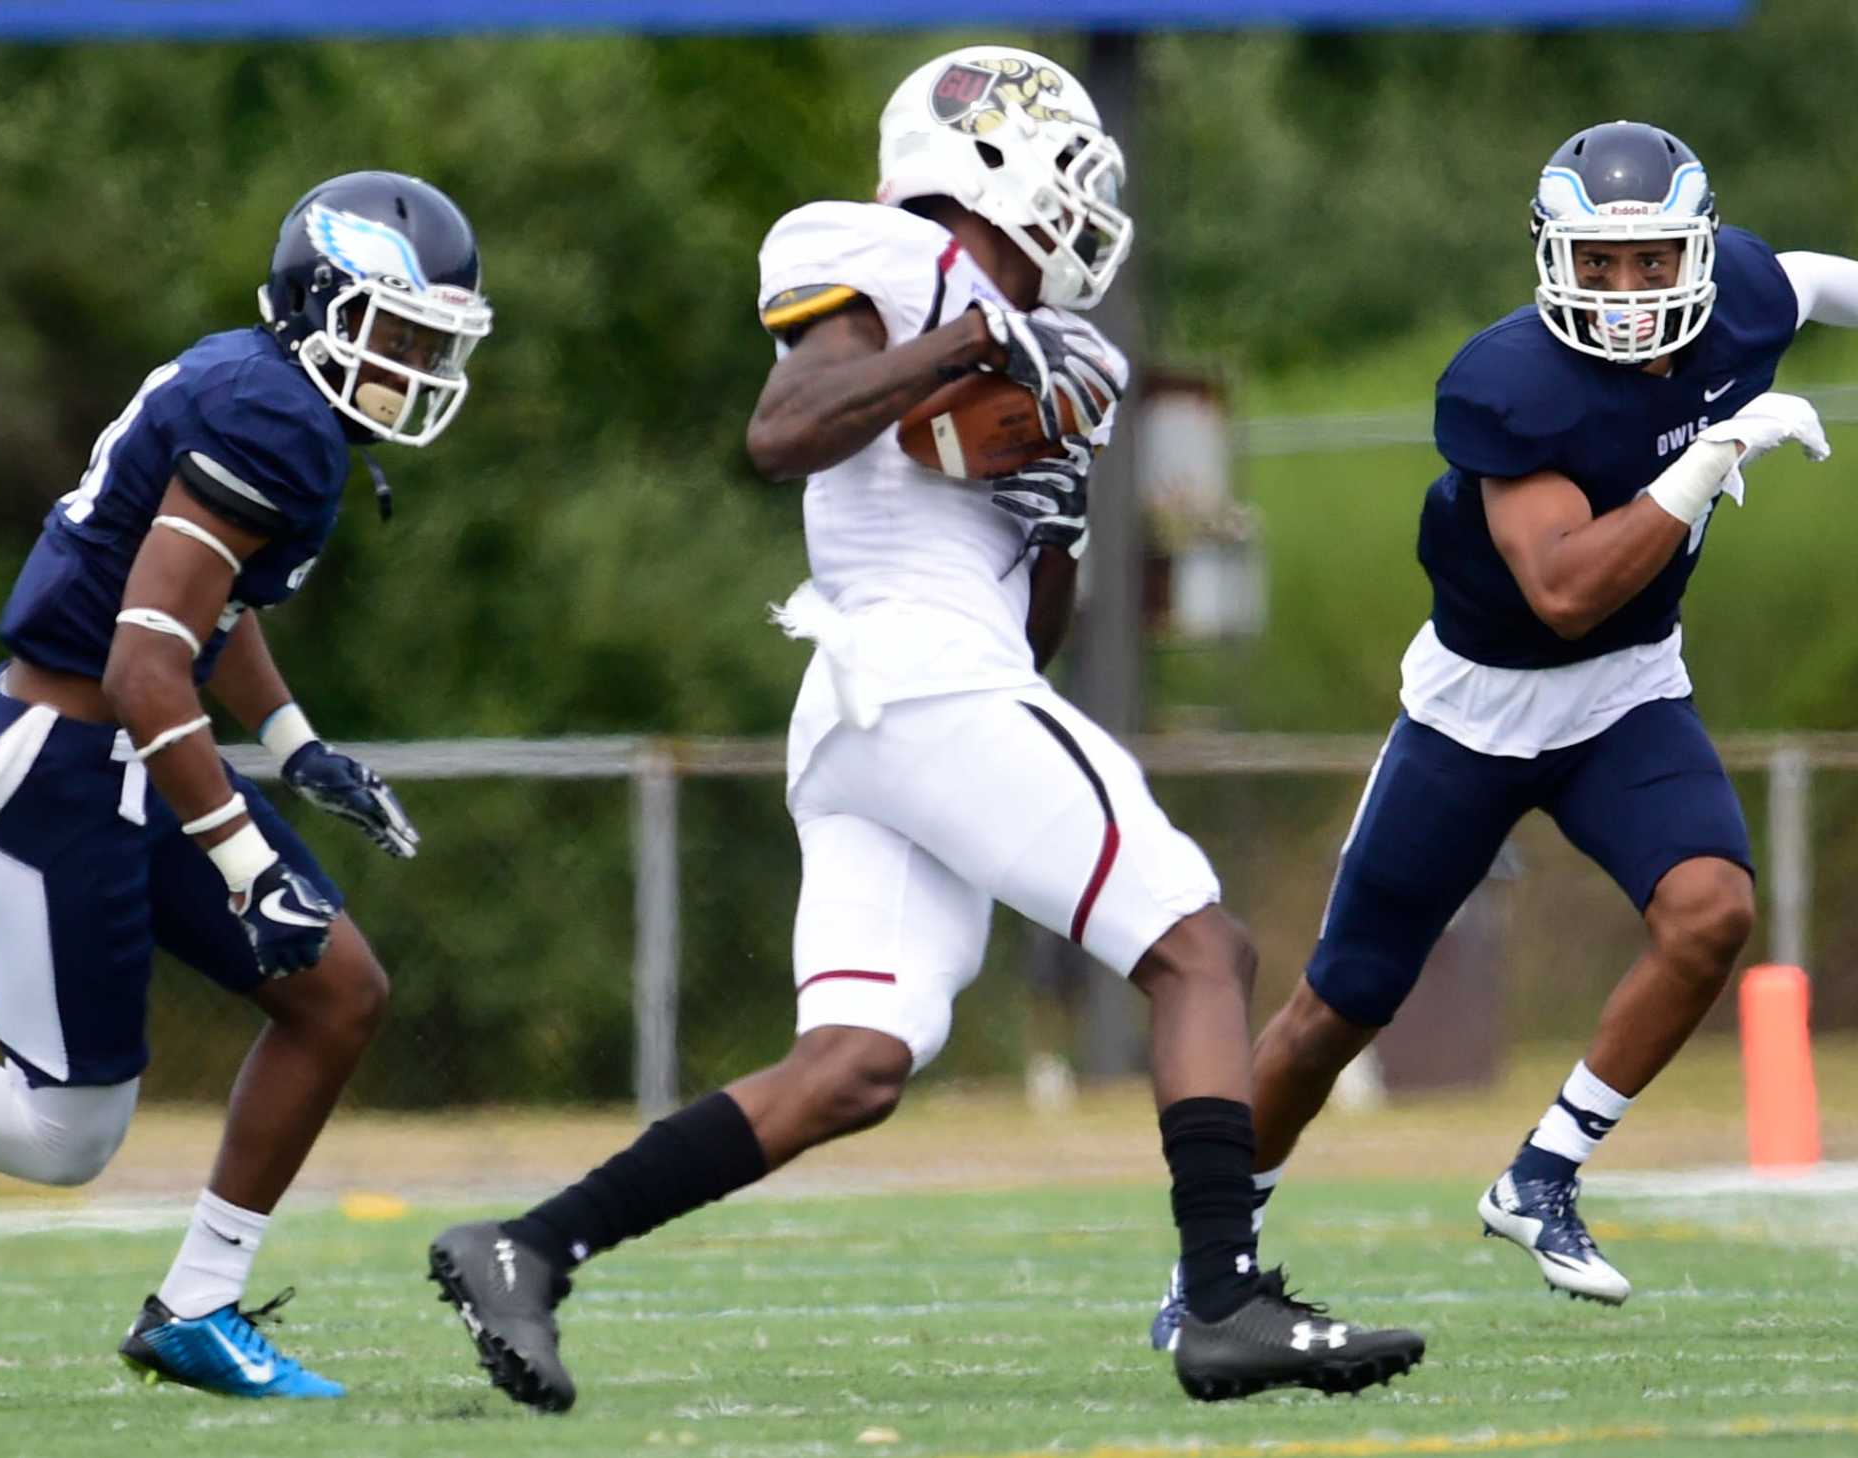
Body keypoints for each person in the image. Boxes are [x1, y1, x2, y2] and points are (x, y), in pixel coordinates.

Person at [429, 45, 1424, 1411]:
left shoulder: (1043, 344)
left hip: (901, 698)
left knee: (854, 1063)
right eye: (1067, 166)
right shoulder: (875, 249)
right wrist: (966, 342)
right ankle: (1223, 1297)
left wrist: (1059, 508)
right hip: (907, 665)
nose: (1085, 205)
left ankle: (528, 1244)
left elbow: (1031, 635)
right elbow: (784, 432)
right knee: (1201, 943)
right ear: (989, 155)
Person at [1148, 119, 1858, 1350]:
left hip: (1628, 691)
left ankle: (1541, 1174)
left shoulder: (1741, 292)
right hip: (1477, 710)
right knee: (1340, 1005)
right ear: (1550, 260)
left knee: (1709, 911)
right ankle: (1211, 1266)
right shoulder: (1504, 381)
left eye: (1650, 262)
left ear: (1693, 253)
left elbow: (1812, 278)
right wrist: (1715, 450)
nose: (1628, 291)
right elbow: (1566, 588)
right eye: (1599, 263)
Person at [0, 170, 491, 1398]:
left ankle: (196, 1307)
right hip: (61, 765)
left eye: (427, 342)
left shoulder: (261, 387)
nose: (408, 365)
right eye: (392, 333)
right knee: (64, 1133)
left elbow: (201, 608)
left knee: (337, 990)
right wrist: (244, 862)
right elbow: (141, 662)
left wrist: (293, 744)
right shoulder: (272, 421)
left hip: (121, 748)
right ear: (317, 307)